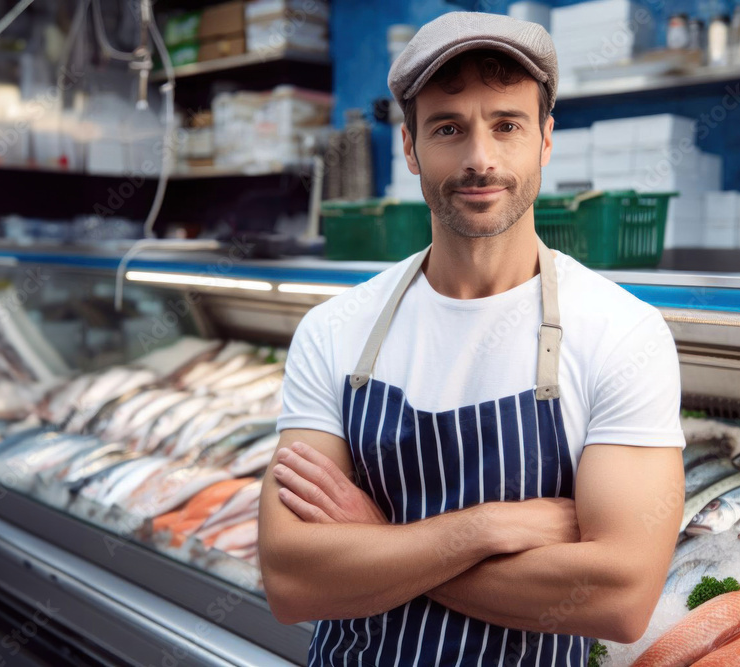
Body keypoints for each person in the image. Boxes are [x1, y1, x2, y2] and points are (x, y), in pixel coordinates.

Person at [259, 11, 686, 666]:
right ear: (410, 147)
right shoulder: (335, 330)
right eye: (449, 128)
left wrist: (381, 544)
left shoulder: (621, 331)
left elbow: (621, 596)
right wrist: (486, 528)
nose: (480, 159)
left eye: (506, 125)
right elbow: (291, 580)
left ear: (545, 140)